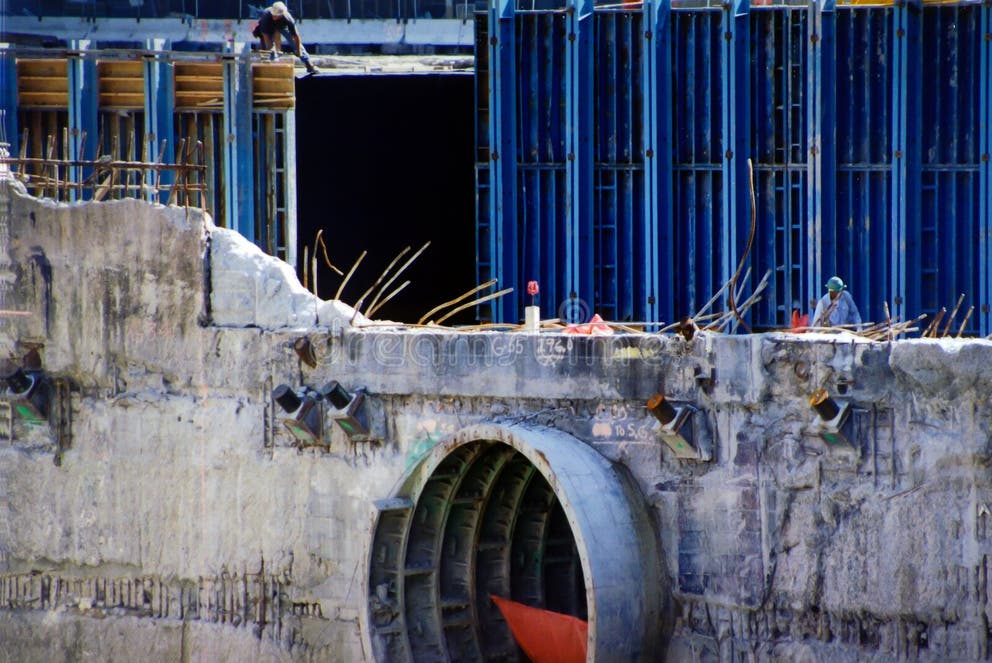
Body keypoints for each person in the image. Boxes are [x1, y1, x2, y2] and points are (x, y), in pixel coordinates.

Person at [252, 2, 318, 76]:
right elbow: (267, 38)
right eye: (273, 16)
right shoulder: (266, 18)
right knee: (269, 50)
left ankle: (309, 64)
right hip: (268, 27)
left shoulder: (288, 18)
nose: (274, 18)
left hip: (282, 26)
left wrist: (298, 50)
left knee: (294, 43)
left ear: (282, 15)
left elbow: (295, 36)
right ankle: (272, 68)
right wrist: (273, 51)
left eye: (276, 16)